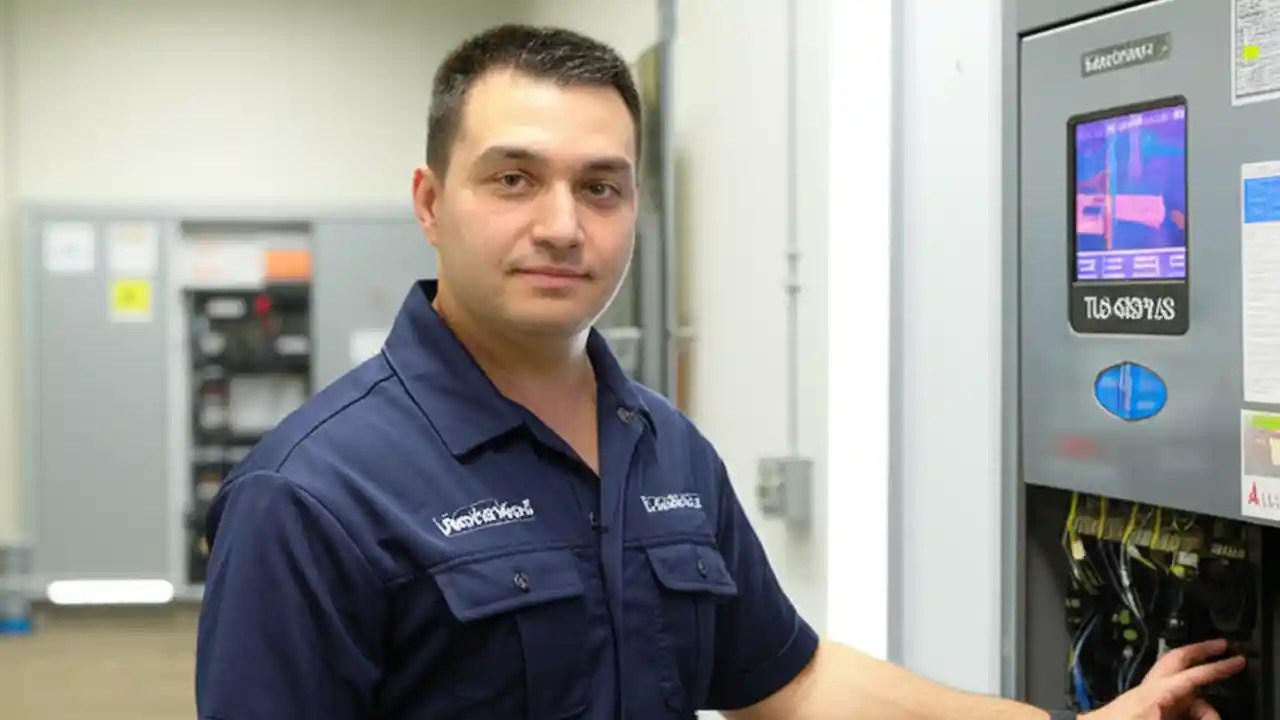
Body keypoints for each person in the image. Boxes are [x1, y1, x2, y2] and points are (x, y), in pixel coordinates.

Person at [194, 23, 1245, 720]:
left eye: (600, 188)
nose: (561, 224)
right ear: (429, 201)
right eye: (512, 179)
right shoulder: (313, 495)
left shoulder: (663, 446)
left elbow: (787, 680)